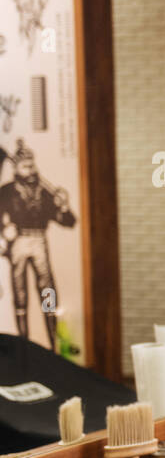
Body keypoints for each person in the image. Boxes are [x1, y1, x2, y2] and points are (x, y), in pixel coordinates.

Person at [0, 140, 77, 348]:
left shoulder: (44, 192)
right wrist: (4, 232)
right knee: (20, 291)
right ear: (16, 168)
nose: (30, 170)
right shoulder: (5, 192)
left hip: (39, 240)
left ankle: (54, 344)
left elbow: (69, 222)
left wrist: (63, 207)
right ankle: (23, 345)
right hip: (18, 243)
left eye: (32, 165)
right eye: (25, 166)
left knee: (47, 289)